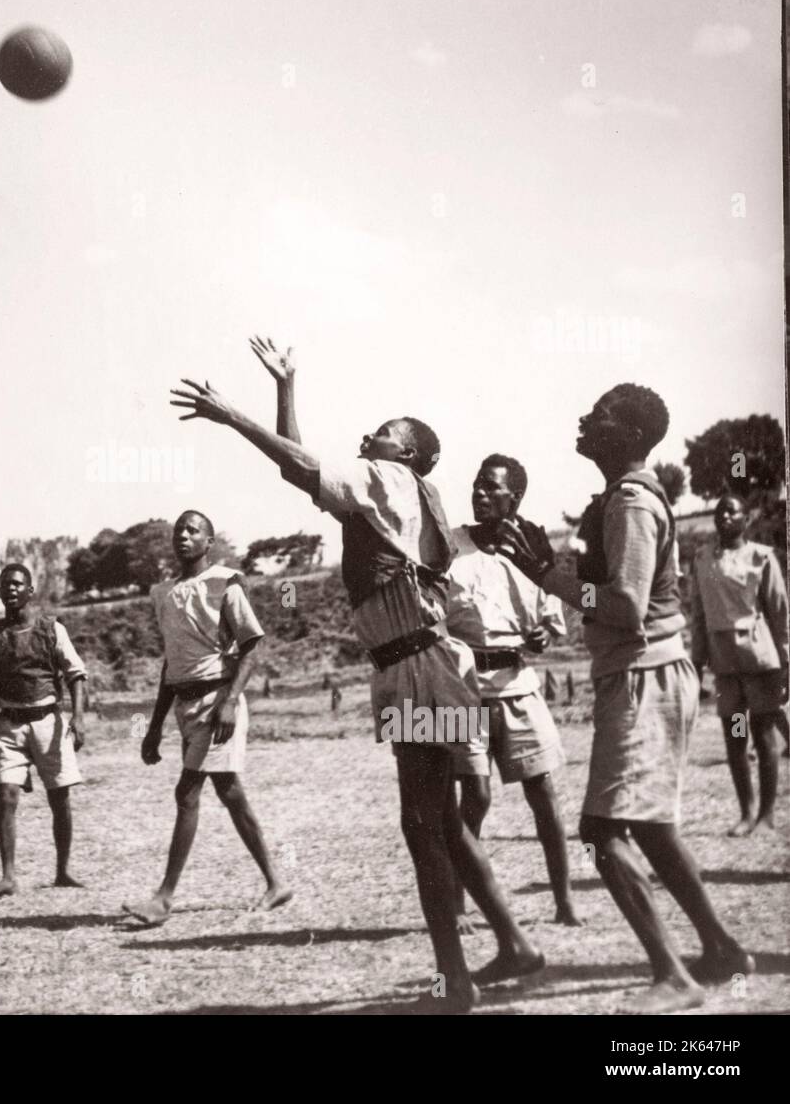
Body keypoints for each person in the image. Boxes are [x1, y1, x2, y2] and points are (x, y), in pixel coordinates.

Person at [168, 339, 542, 1012]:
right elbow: (302, 471)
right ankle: (511, 944)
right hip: (418, 663)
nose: (370, 436)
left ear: (410, 455)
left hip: (420, 665)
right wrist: (286, 388)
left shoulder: (393, 482)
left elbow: (303, 463)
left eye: (385, 434)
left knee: (422, 824)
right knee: (442, 823)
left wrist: (234, 416)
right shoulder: (397, 490)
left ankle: (454, 980)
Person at [498, 384, 753, 1013]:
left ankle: (672, 975)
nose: (587, 419)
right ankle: (720, 949)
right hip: (650, 672)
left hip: (644, 673)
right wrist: (559, 571)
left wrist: (547, 576)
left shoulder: (633, 501)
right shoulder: (624, 498)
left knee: (602, 830)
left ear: (632, 436)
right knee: (655, 831)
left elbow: (624, 605)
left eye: (603, 416)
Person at [123, 511, 291, 926]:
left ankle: (163, 899)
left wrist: (231, 701)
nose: (183, 535)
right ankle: (276, 882)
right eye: (179, 529)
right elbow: (171, 665)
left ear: (209, 542)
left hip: (219, 703)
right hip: (186, 706)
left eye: (193, 530)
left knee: (187, 793)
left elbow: (253, 645)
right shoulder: (162, 593)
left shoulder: (223, 582)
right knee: (231, 792)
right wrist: (156, 726)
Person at [445, 457, 581, 927]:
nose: (480, 494)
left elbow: (551, 619)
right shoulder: (451, 545)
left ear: (514, 498)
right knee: (475, 798)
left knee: (544, 795)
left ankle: (564, 902)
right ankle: (459, 904)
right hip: (464, 689)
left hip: (518, 686)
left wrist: (544, 633)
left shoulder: (531, 546)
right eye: (476, 486)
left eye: (491, 488)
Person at [0, 563, 87, 895]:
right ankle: (8, 877)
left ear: (30, 590)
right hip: (9, 724)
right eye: (5, 584)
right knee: (6, 795)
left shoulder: (52, 629)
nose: (10, 589)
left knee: (59, 797)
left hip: (49, 722)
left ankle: (63, 871)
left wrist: (78, 718)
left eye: (17, 584)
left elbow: (76, 674)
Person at [690, 492, 787, 836]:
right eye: (720, 512)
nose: (725, 517)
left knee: (763, 738)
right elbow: (699, 616)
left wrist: (787, 660)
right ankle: (746, 812)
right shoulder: (703, 560)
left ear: (746, 520)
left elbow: (779, 612)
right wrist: (697, 662)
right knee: (735, 737)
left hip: (760, 663)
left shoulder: (761, 558)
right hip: (726, 669)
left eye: (733, 512)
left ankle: (767, 814)